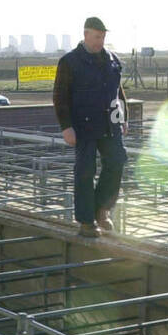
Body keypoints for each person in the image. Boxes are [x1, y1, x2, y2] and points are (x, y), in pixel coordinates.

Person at [53, 16, 129, 237]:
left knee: (116, 161)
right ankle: (87, 221)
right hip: (83, 125)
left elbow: (118, 92)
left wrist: (124, 118)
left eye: (103, 37)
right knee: (86, 170)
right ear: (85, 34)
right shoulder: (70, 62)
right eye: (96, 36)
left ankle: (101, 211)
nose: (100, 41)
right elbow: (60, 96)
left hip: (110, 122)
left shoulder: (112, 60)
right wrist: (66, 126)